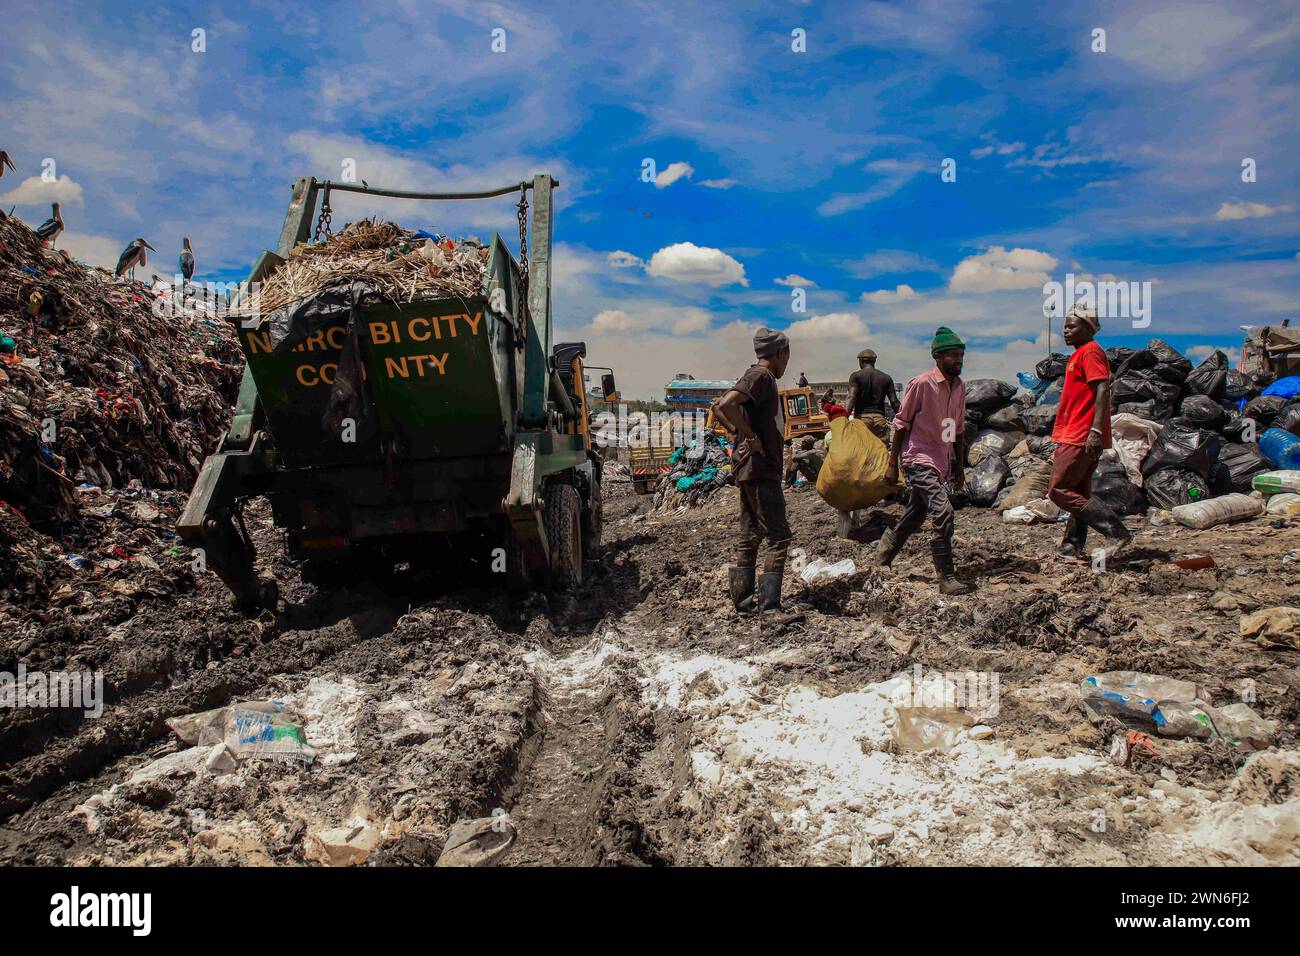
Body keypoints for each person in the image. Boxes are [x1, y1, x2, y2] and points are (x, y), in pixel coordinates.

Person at [714, 328, 804, 625]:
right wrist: (750, 436)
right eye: (787, 355)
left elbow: (718, 407)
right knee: (779, 535)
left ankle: (743, 604)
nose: (787, 362)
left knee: (750, 534)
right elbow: (725, 404)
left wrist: (735, 432)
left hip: (748, 469)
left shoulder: (755, 377)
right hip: (761, 468)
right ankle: (769, 609)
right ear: (780, 353)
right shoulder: (762, 377)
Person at [876, 327, 974, 595]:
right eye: (953, 356)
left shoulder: (959, 387)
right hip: (917, 457)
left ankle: (883, 555)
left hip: (939, 460)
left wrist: (956, 462)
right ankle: (946, 576)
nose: (959, 360)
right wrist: (891, 462)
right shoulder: (921, 384)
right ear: (938, 358)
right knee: (943, 511)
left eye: (961, 355)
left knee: (915, 515)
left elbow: (954, 427)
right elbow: (901, 423)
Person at [1047, 304, 1131, 560]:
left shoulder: (1091, 352)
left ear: (1088, 328)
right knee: (1080, 492)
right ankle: (1071, 546)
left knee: (1058, 490)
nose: (1066, 330)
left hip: (1080, 432)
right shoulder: (1079, 354)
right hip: (1078, 431)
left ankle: (1116, 532)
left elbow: (1103, 389)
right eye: (1064, 326)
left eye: (1072, 326)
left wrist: (1094, 430)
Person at [845, 348, 899, 444]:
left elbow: (851, 397)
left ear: (861, 361)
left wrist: (844, 418)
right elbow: (894, 402)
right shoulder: (886, 378)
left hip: (862, 420)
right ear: (874, 361)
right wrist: (904, 420)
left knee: (862, 452)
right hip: (880, 420)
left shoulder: (856, 376)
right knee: (881, 453)